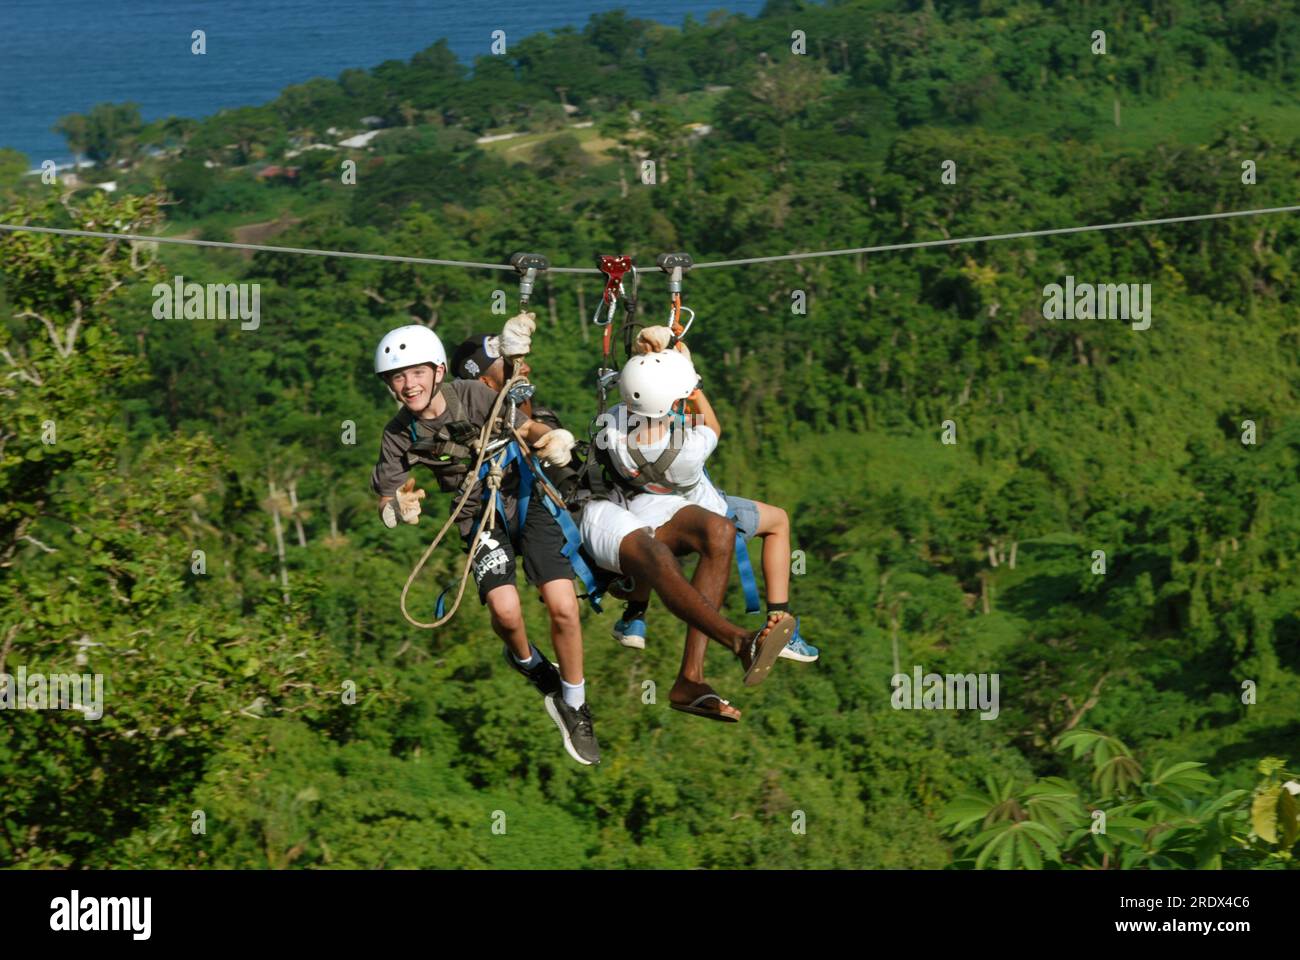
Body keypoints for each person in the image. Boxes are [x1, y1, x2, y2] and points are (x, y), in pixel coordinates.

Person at [370, 316, 600, 766]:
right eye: (398, 378)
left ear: (438, 371)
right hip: (477, 516)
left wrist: (550, 438)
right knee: (506, 611)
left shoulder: (473, 394)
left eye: (417, 372)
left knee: (562, 604)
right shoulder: (398, 435)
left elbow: (522, 423)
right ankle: (529, 663)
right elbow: (386, 491)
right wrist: (395, 507)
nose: (409, 385)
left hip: (524, 495)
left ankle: (575, 702)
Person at [599, 329, 818, 662]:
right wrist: (692, 382)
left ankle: (634, 617)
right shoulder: (687, 451)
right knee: (779, 521)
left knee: (649, 542)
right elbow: (712, 425)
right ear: (672, 403)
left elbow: (635, 400)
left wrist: (654, 365)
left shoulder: (612, 429)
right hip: (700, 514)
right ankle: (780, 618)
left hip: (644, 515)